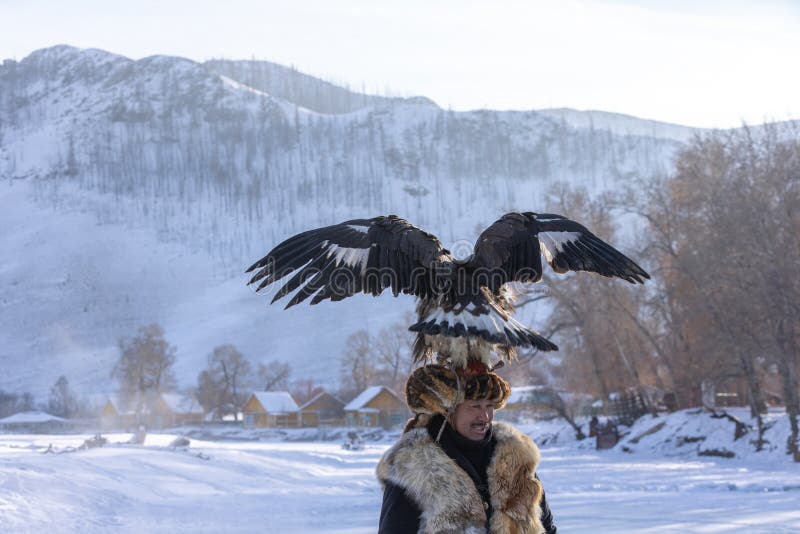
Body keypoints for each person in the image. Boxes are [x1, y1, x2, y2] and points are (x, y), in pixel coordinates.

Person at [377, 363, 557, 533]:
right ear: (449, 410)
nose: (485, 416)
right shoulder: (413, 464)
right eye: (475, 406)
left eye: (490, 406)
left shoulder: (515, 456)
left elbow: (546, 527)